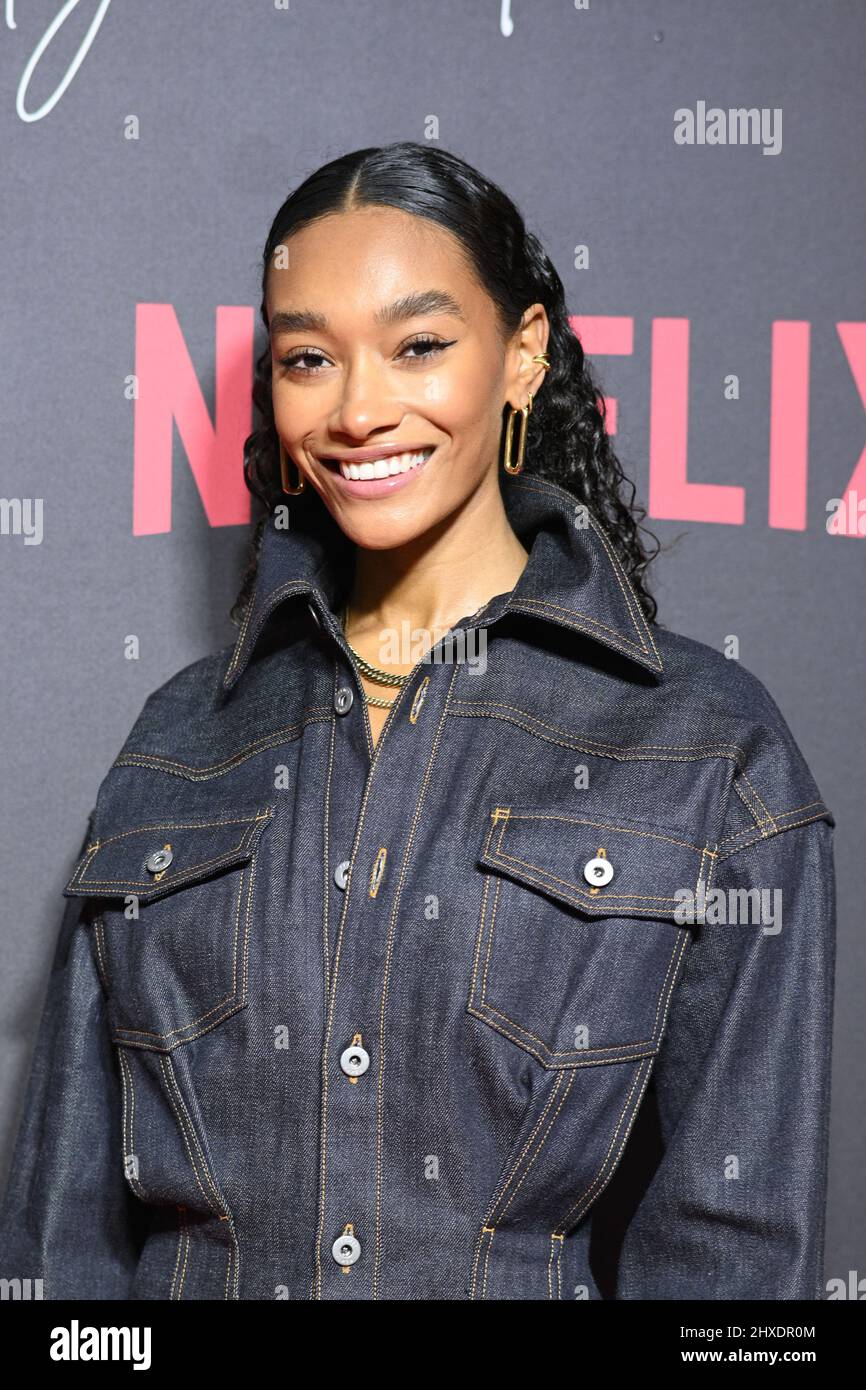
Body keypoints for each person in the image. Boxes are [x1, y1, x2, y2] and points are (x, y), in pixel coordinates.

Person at [0, 142, 835, 1300]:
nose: (356, 410)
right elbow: (57, 1248)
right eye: (307, 358)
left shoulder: (705, 751)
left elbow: (734, 1271)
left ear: (521, 355)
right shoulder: (182, 735)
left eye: (419, 345)